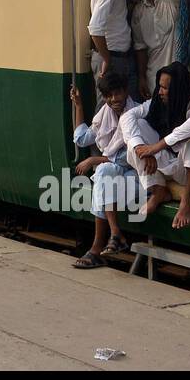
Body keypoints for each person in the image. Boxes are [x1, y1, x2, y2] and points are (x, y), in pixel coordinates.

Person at [123, 63, 190, 230]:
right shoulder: (158, 102)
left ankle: (187, 200)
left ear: (178, 89)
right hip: (173, 168)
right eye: (160, 87)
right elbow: (127, 117)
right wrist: (141, 149)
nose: (160, 92)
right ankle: (158, 189)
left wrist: (156, 147)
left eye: (165, 88)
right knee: (137, 127)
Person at [69, 73, 141, 269]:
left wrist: (93, 159)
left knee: (103, 172)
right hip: (115, 177)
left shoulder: (136, 114)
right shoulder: (104, 113)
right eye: (108, 96)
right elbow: (82, 138)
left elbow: (127, 159)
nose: (113, 99)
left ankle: (100, 246)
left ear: (126, 91)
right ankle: (114, 235)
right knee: (105, 174)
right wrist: (79, 106)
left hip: (139, 177)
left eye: (117, 94)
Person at [88, 0, 138, 104]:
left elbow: (116, 16)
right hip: (112, 57)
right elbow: (95, 28)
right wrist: (107, 59)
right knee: (107, 110)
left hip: (116, 56)